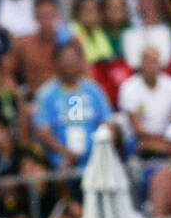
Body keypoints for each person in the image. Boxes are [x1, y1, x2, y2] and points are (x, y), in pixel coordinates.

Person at [33, 40, 113, 170]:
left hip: (95, 155)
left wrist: (97, 148)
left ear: (81, 61)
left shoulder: (93, 90)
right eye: (65, 59)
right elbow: (43, 132)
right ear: (56, 62)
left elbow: (107, 123)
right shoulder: (45, 93)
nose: (69, 63)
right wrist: (65, 152)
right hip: (61, 158)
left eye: (73, 58)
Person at [118, 46, 171, 156]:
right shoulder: (128, 87)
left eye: (153, 61)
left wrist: (170, 139)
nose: (150, 65)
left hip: (168, 139)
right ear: (140, 63)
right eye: (146, 60)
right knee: (145, 145)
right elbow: (137, 129)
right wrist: (164, 141)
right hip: (139, 140)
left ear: (160, 63)